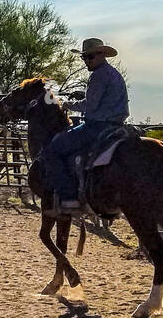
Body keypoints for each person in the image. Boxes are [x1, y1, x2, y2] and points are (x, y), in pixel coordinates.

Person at [41, 37, 129, 213]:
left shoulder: (99, 75)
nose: (86, 61)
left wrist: (67, 104)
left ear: (101, 54)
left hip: (97, 126)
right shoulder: (113, 74)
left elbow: (90, 105)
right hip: (117, 125)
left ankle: (68, 197)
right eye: (84, 57)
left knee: (52, 151)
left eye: (90, 57)